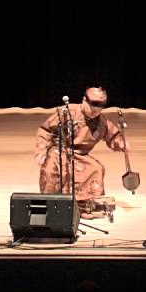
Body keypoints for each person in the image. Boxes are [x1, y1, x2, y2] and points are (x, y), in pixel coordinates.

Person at [33, 86, 126, 219]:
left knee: (95, 168)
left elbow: (113, 136)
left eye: (100, 105)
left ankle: (80, 208)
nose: (95, 109)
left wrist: (120, 143)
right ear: (84, 100)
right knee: (51, 171)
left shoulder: (102, 121)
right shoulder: (67, 112)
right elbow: (45, 130)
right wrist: (41, 150)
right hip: (59, 151)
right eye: (93, 104)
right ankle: (52, 208)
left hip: (80, 155)